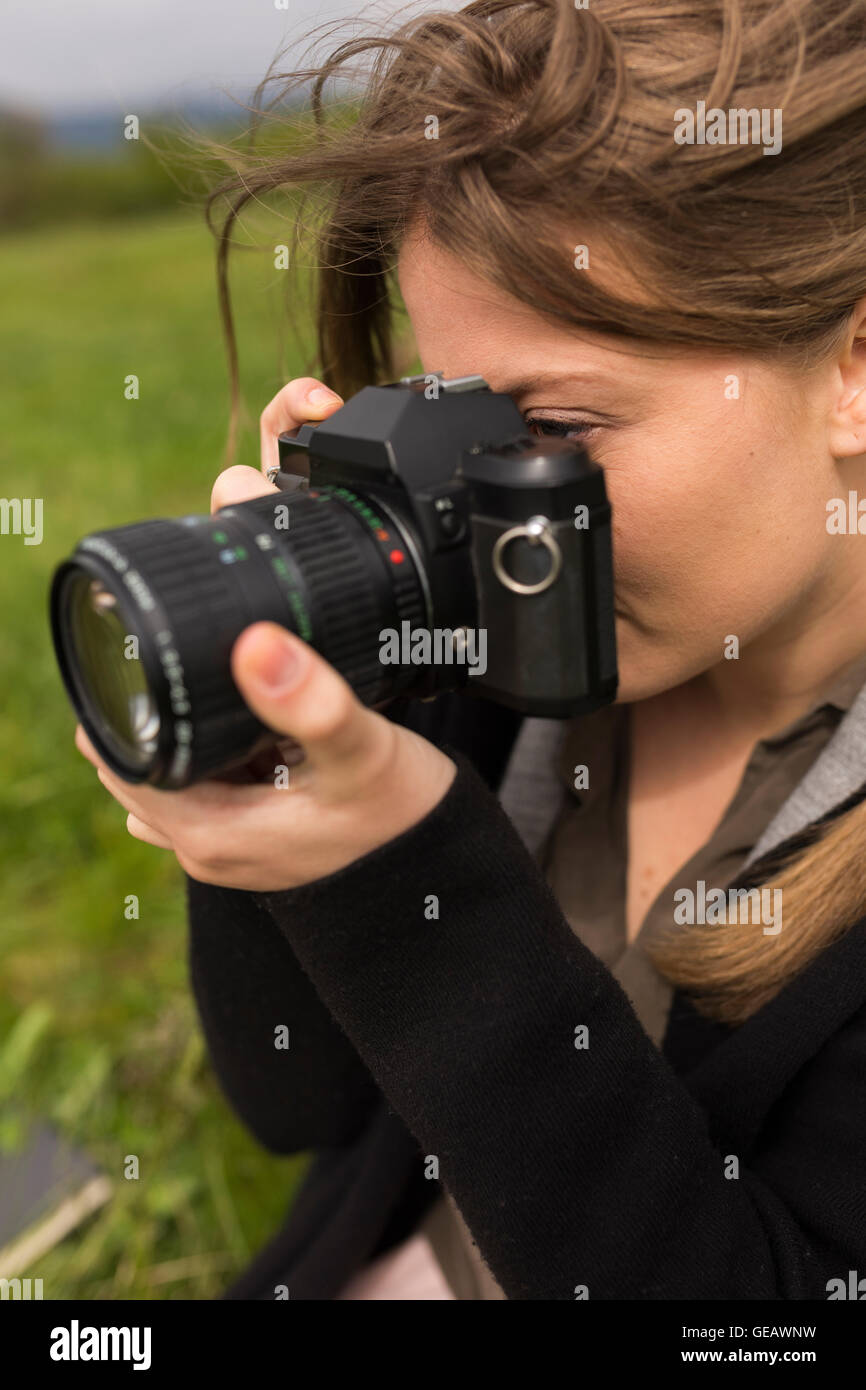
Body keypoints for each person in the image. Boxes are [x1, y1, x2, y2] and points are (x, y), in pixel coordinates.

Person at [75, 0, 866, 1298]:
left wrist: (408, 877)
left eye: (548, 423)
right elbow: (301, 1101)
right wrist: (274, 774)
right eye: (443, 403)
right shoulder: (501, 647)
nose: (466, 492)